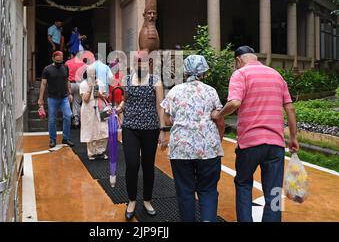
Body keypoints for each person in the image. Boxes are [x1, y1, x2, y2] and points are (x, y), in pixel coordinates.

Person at [211, 46, 299, 222]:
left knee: (243, 185)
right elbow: (289, 108)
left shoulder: (240, 74)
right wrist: (294, 138)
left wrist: (218, 115)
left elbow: (235, 102)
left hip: (249, 144)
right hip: (275, 144)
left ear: (238, 60)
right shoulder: (276, 75)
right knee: (274, 191)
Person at [160, 55, 225, 222]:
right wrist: (219, 140)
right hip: (208, 149)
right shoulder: (211, 91)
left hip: (181, 150)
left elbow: (166, 118)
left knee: (185, 192)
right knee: (208, 190)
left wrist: (176, 120)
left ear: (186, 71)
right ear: (203, 72)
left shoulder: (175, 91)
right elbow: (220, 120)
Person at [115, 50, 167, 221]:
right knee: (131, 165)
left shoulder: (155, 80)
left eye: (142, 62)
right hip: (130, 127)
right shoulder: (127, 79)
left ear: (148, 64)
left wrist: (162, 130)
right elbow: (126, 98)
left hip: (150, 129)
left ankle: (147, 200)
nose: (139, 65)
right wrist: (120, 107)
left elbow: (160, 107)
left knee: (147, 165)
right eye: (137, 62)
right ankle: (131, 200)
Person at [38, 51, 75, 148]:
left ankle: (65, 138)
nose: (59, 62)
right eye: (57, 60)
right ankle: (52, 139)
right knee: (52, 119)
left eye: (61, 60)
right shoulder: (47, 69)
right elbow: (43, 84)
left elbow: (67, 81)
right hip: (52, 98)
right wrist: (40, 98)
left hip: (64, 97)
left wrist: (70, 93)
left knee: (68, 116)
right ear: (53, 59)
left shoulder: (65, 67)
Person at [80, 64, 109, 160]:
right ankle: (92, 152)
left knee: (103, 130)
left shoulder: (100, 83)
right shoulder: (83, 84)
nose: (92, 75)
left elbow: (105, 97)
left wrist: (100, 95)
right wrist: (90, 87)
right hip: (88, 110)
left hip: (101, 108)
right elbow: (85, 99)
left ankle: (101, 151)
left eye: (94, 73)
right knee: (90, 130)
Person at [65, 52, 86, 128]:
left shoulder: (68, 62)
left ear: (72, 55)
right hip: (79, 84)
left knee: (67, 102)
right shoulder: (83, 64)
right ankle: (76, 121)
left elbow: (65, 74)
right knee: (76, 103)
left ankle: (68, 119)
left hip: (69, 84)